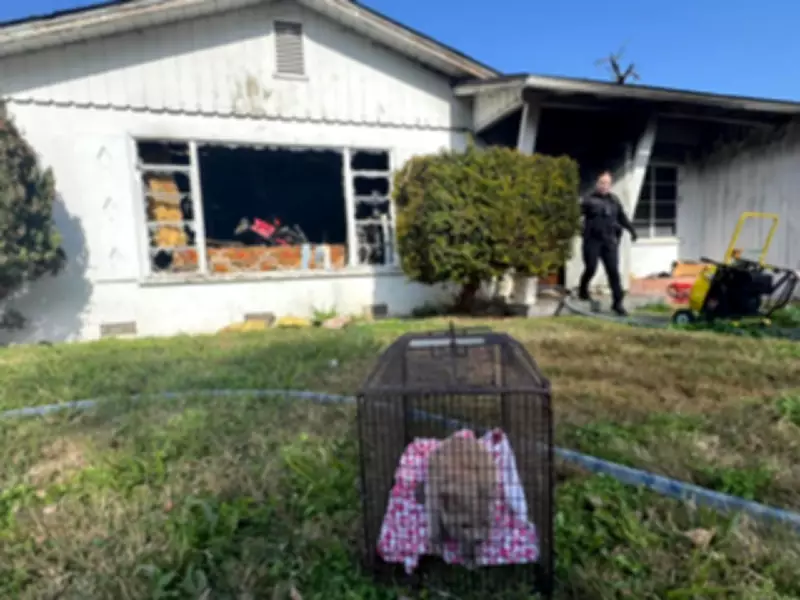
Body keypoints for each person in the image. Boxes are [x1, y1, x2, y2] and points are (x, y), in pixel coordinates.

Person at [577, 170, 637, 316]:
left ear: (610, 185)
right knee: (591, 268)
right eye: (602, 183)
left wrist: (632, 231)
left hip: (609, 241)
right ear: (597, 184)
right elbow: (575, 215)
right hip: (592, 241)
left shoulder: (614, 200)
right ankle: (583, 290)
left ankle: (617, 303)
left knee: (613, 273)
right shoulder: (588, 200)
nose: (604, 186)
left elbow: (622, 217)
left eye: (607, 183)